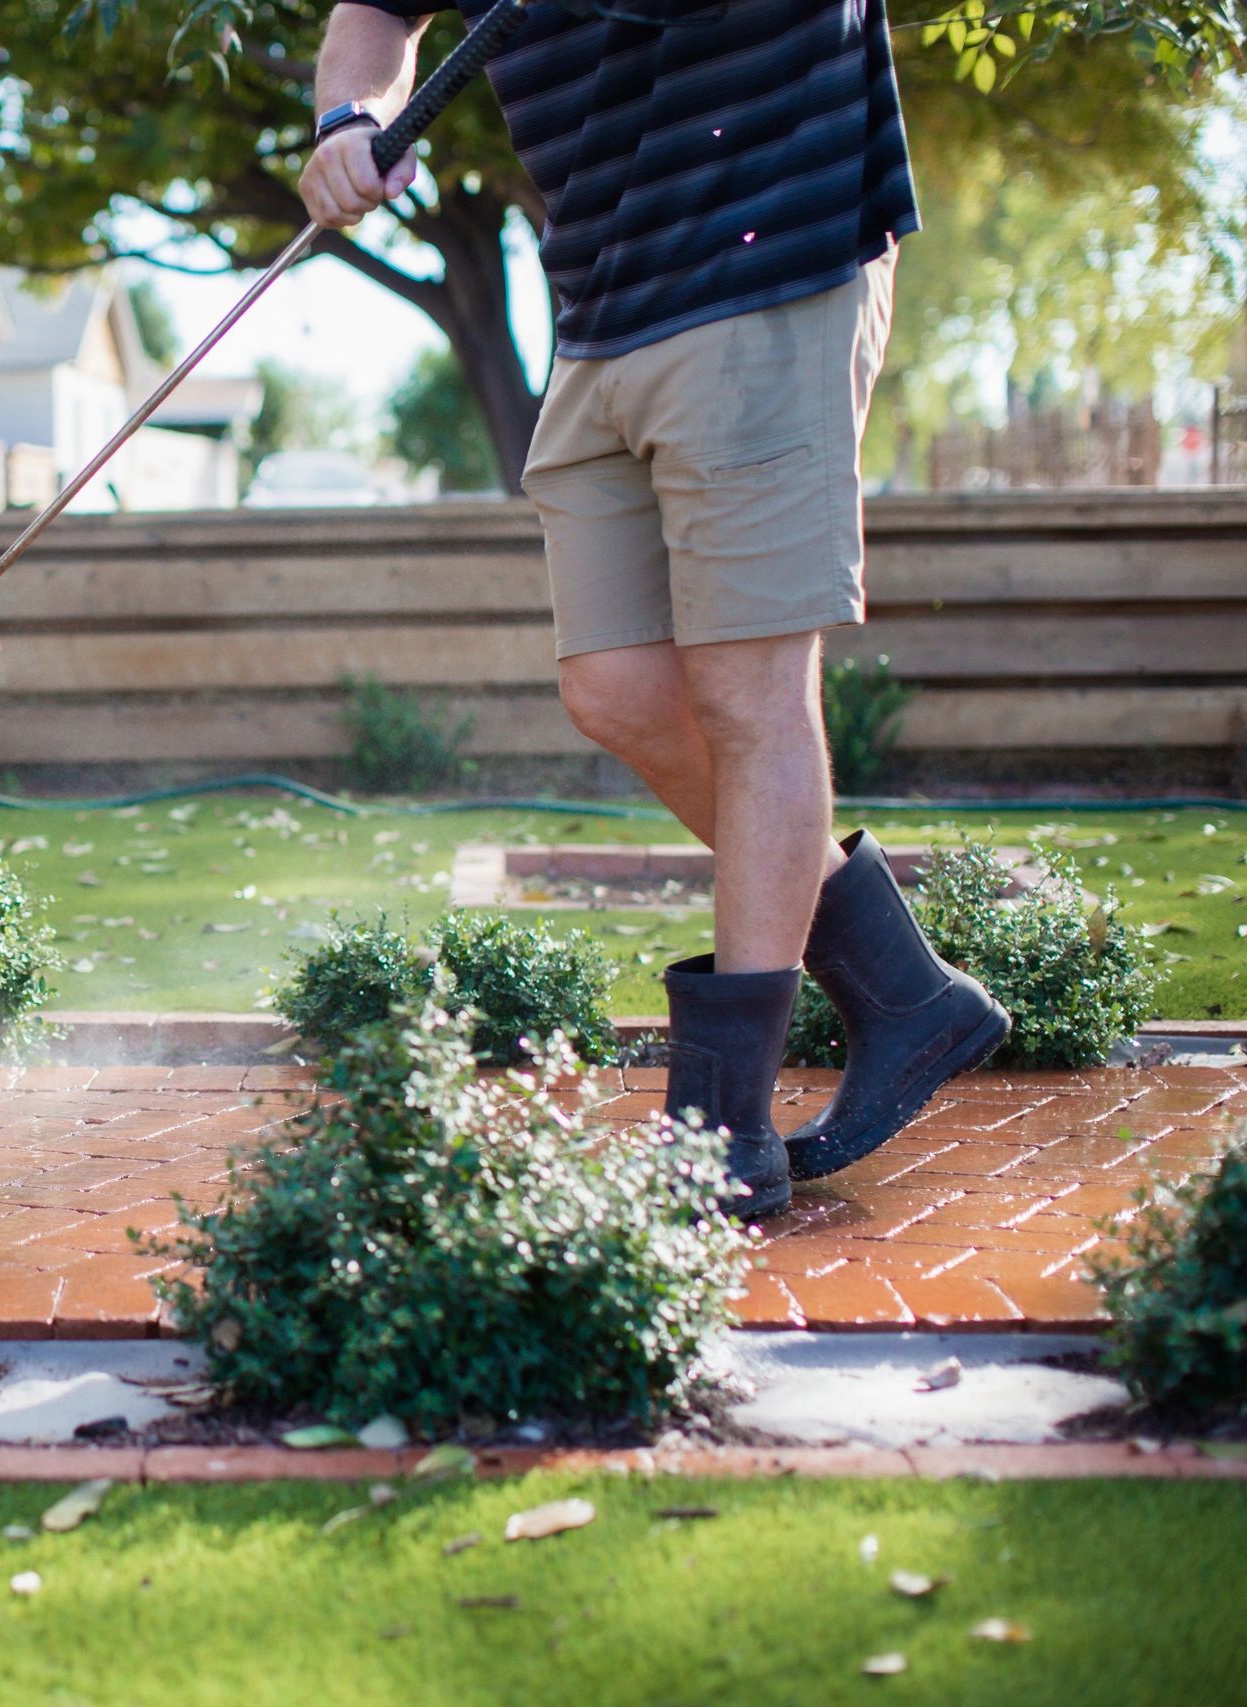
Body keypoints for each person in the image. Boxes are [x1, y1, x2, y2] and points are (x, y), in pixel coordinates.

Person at [299, 0, 1006, 1218]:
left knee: (747, 695)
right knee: (615, 687)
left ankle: (721, 1136)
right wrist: (345, 116)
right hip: (603, 291)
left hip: (767, 249)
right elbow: (374, 10)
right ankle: (900, 990)